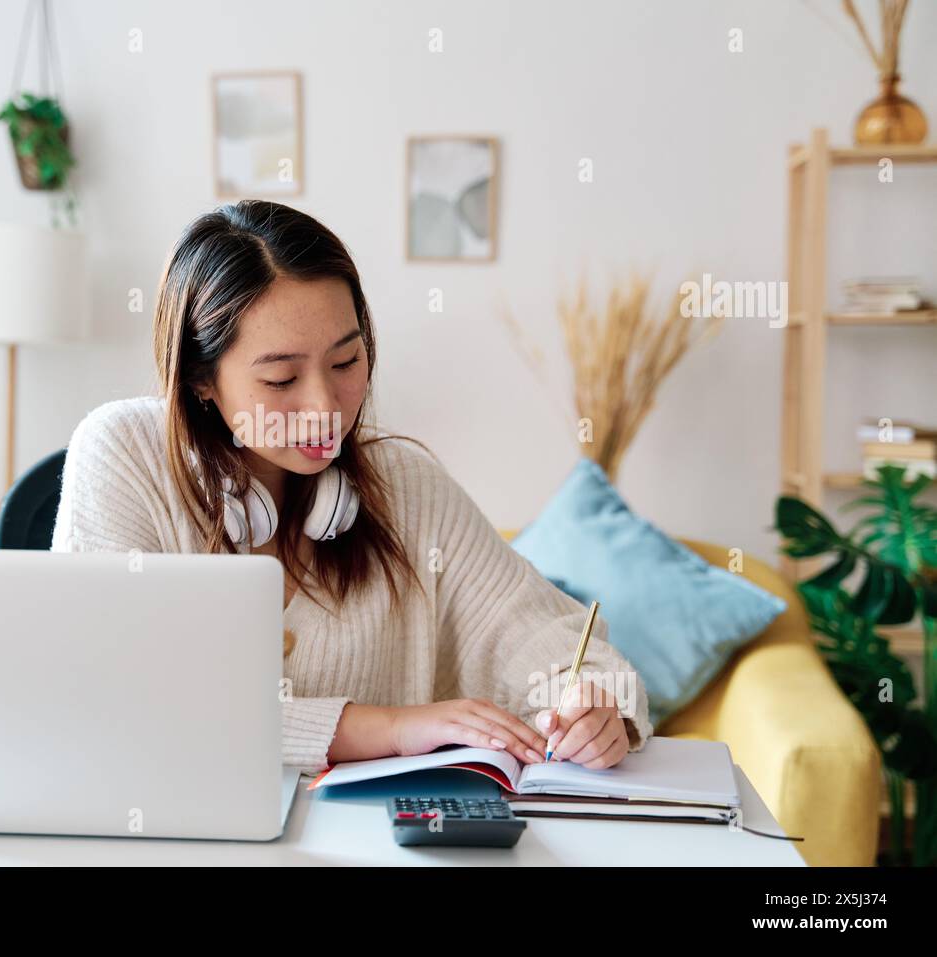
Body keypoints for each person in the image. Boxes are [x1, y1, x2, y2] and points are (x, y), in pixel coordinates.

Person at [51, 199, 652, 772]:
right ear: (202, 379)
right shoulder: (123, 453)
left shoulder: (406, 485)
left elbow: (545, 638)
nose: (323, 408)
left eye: (345, 363)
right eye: (282, 378)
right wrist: (391, 728)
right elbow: (114, 700)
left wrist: (594, 701)